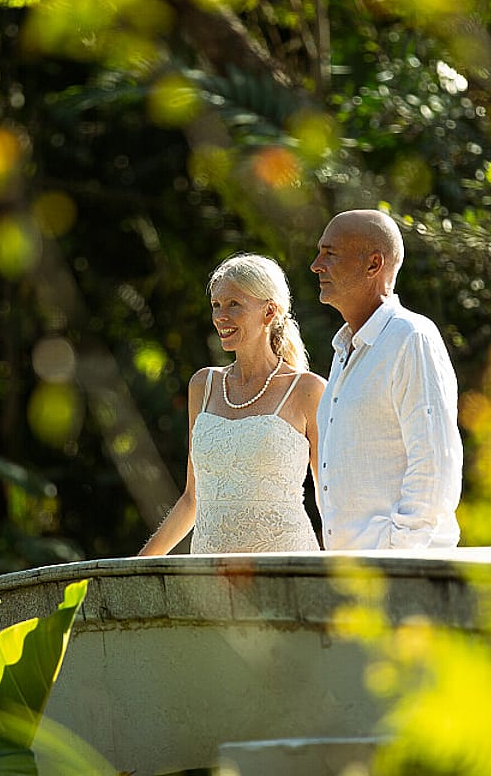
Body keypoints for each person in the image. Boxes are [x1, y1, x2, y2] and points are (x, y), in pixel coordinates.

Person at [139, 253, 326, 555]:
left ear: (269, 312)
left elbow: (327, 497)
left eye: (233, 304)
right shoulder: (204, 385)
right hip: (210, 574)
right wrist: (135, 568)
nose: (220, 316)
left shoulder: (308, 389)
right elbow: (191, 498)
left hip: (286, 568)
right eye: (216, 305)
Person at [310, 209, 462, 550]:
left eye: (329, 253)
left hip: (399, 576)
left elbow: (435, 466)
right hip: (354, 580)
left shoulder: (411, 337)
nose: (316, 265)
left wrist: (397, 558)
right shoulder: (343, 349)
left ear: (373, 264)